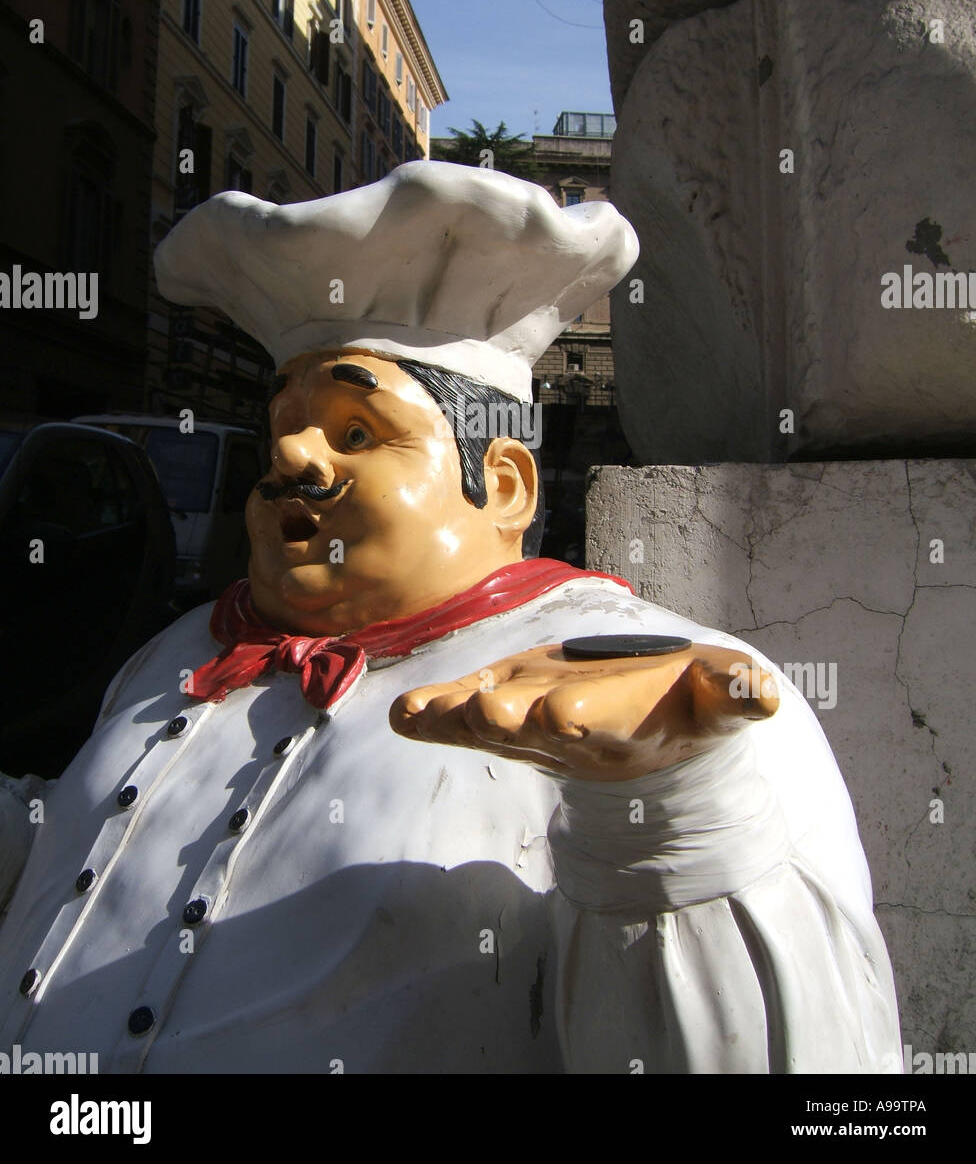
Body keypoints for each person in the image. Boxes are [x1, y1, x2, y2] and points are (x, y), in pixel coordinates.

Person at [0, 162, 900, 1073]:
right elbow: (64, 853)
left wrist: (670, 814)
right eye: (284, 425)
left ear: (503, 485)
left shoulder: (672, 692)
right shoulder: (172, 655)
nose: (287, 456)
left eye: (356, 432)